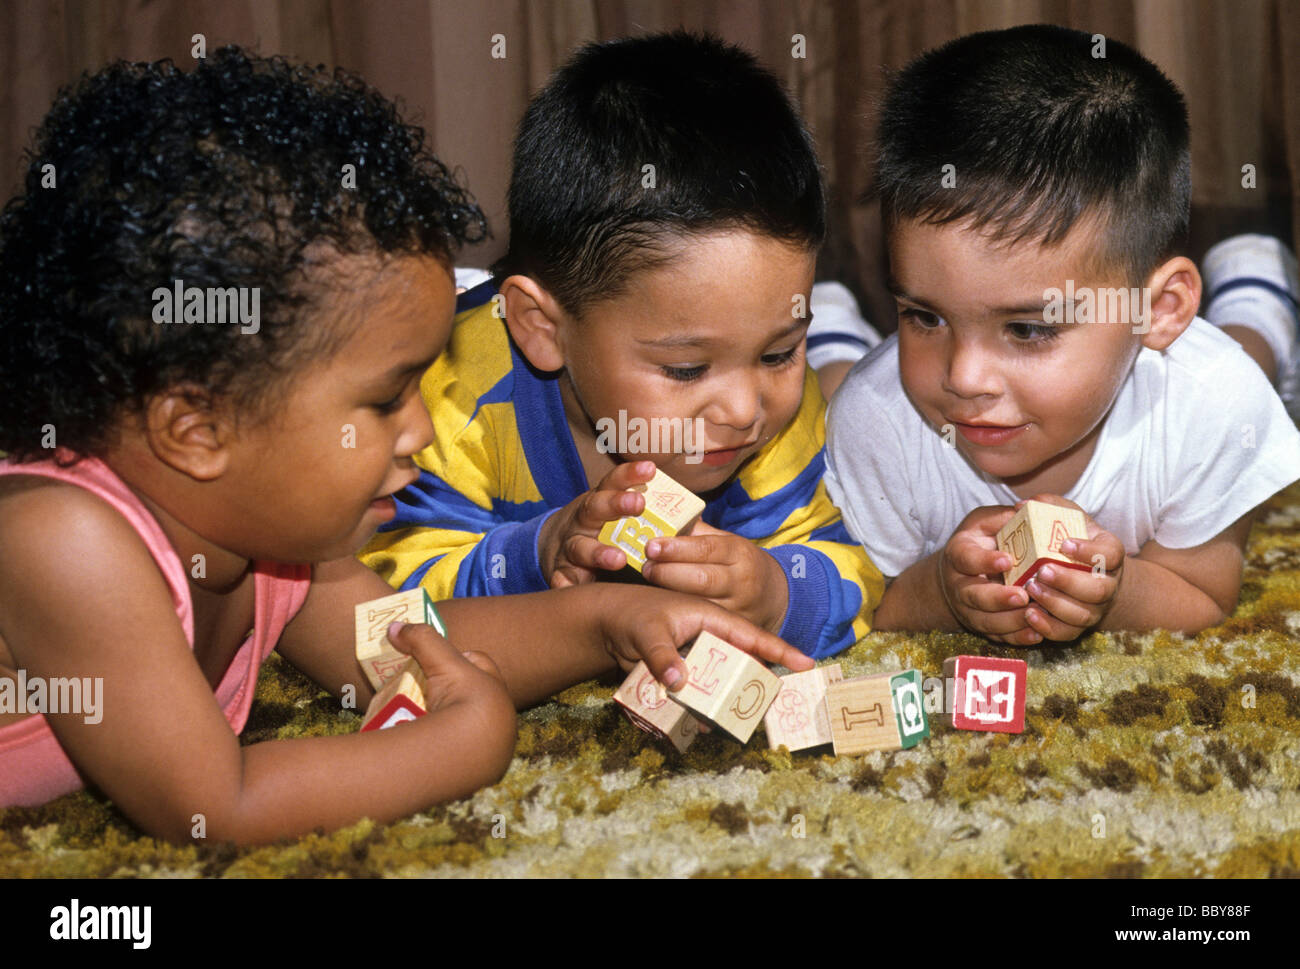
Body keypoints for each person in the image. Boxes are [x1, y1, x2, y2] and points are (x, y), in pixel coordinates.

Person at [0, 48, 809, 840]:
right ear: (198, 428)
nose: (422, 428)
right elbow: (216, 802)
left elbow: (395, 646)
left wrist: (609, 617)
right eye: (387, 398)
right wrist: (458, 744)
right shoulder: (62, 539)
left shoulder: (272, 542)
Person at [361, 32, 884, 659]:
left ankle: (829, 328)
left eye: (778, 352)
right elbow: (379, 610)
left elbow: (861, 563)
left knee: (836, 389)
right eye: (687, 368)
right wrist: (538, 554)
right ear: (543, 330)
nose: (745, 409)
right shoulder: (446, 399)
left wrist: (779, 593)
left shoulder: (774, 413)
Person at [825, 25, 1300, 644]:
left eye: (1026, 328)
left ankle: (1259, 298)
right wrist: (941, 591)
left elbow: (1204, 596)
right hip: (865, 393)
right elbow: (868, 600)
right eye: (923, 315)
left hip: (1198, 370)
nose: (964, 378)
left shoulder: (1213, 399)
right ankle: (831, 330)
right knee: (834, 392)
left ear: (1158, 310)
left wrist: (1117, 590)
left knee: (1249, 363)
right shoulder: (878, 419)